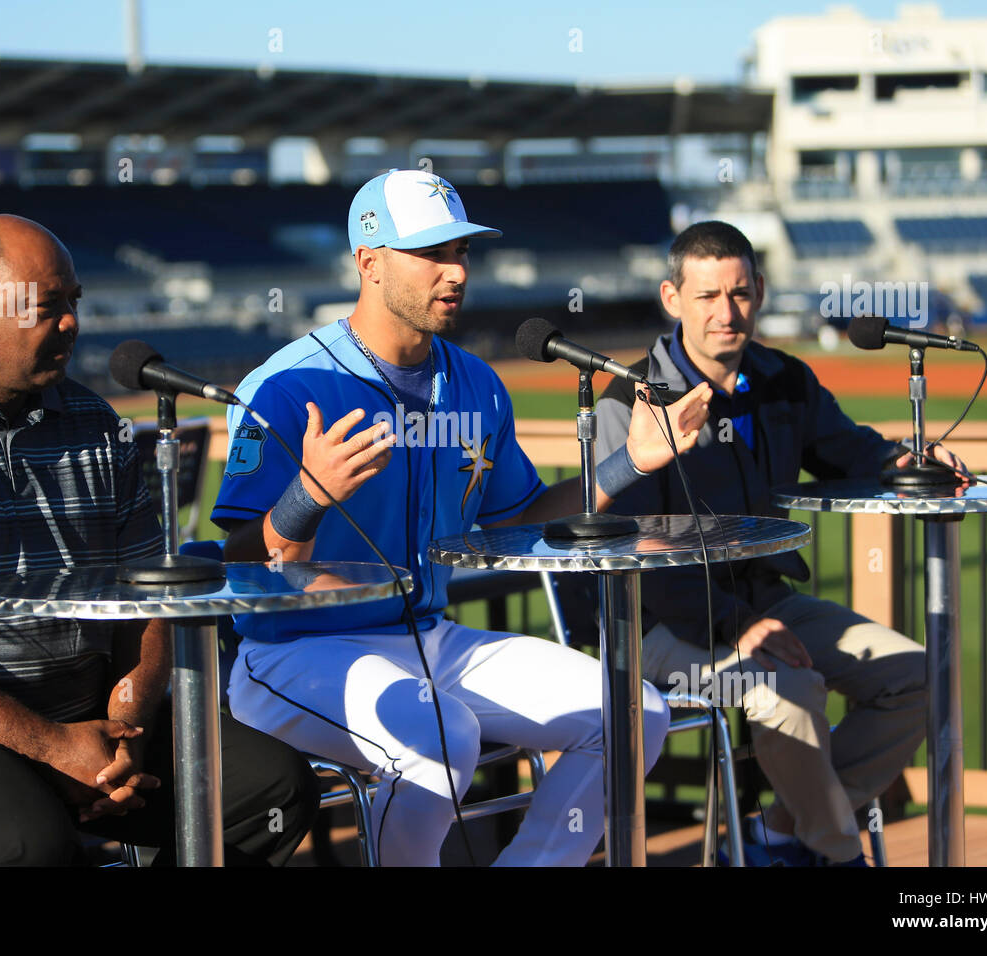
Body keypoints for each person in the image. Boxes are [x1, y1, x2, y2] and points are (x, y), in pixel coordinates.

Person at [211, 171, 712, 866]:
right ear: (370, 262)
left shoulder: (475, 381)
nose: (455, 272)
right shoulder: (289, 386)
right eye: (432, 253)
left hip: (428, 637)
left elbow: (523, 521)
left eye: (463, 252)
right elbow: (246, 567)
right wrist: (305, 496)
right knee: (441, 737)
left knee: (637, 713)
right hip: (293, 654)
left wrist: (628, 461)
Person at [0, 214, 317, 866]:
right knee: (28, 841)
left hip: (85, 712)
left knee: (270, 787)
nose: (73, 325)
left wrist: (125, 736)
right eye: (48, 308)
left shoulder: (93, 422)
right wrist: (51, 747)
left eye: (74, 303)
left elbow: (146, 596)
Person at [596, 220, 967, 866]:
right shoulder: (630, 401)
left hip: (765, 604)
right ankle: (838, 853)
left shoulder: (783, 379)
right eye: (707, 296)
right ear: (671, 297)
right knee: (790, 692)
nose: (726, 312)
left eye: (739, 293)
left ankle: (781, 828)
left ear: (760, 292)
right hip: (654, 624)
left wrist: (906, 460)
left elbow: (848, 452)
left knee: (922, 676)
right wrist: (738, 626)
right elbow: (636, 559)